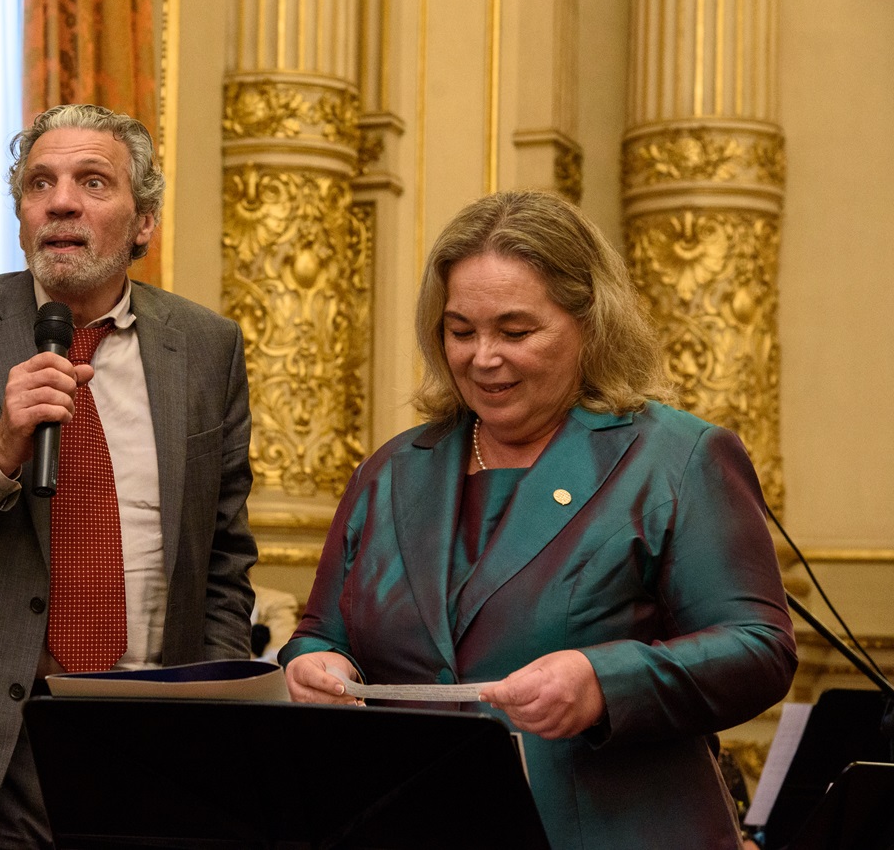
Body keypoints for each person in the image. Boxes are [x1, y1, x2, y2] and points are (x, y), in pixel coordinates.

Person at [280, 190, 796, 850]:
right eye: (460, 331)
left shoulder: (675, 457)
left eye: (515, 332)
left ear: (590, 323)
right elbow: (323, 633)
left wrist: (604, 683)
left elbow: (759, 648)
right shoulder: (392, 471)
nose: (482, 357)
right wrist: (316, 665)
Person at [0, 103, 257, 850]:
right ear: (22, 214)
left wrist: (209, 714)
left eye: (92, 182)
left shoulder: (206, 348)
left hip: (153, 749)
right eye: (39, 183)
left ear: (144, 222)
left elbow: (222, 559)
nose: (61, 202)